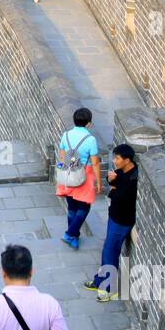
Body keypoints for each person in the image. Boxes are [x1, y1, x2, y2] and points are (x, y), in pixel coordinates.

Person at [85, 144, 138, 301]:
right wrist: (112, 181)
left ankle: (110, 290)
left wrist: (115, 186)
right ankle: (100, 280)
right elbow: (112, 183)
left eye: (117, 158)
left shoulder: (133, 179)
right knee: (106, 250)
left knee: (110, 252)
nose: (114, 161)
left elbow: (118, 197)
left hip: (122, 221)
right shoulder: (122, 171)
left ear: (127, 160)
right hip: (114, 218)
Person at [56, 107, 100, 249]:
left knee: (72, 207)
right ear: (88, 123)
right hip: (84, 175)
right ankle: (70, 234)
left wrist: (69, 165)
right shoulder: (90, 139)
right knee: (84, 207)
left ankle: (74, 236)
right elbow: (95, 162)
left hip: (69, 172)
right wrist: (98, 182)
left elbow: (62, 154)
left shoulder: (66, 135)